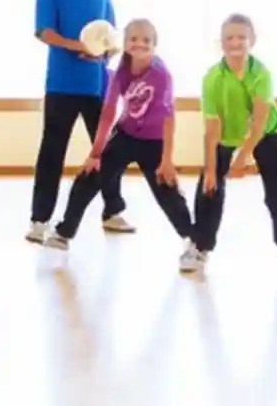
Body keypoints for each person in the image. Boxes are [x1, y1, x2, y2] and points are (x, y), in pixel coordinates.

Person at [44, 19, 199, 270]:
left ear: (155, 46)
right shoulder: (122, 69)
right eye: (133, 39)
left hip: (154, 141)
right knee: (89, 176)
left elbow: (169, 117)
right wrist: (95, 153)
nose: (139, 44)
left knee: (167, 192)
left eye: (146, 40)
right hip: (125, 135)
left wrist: (167, 160)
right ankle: (64, 232)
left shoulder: (161, 75)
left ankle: (194, 242)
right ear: (125, 43)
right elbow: (108, 110)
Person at [28, 0, 134, 243]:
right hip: (62, 82)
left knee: (107, 149)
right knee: (53, 150)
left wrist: (107, 52)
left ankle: (112, 210)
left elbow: (111, 31)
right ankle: (39, 220)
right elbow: (44, 31)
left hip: (98, 83)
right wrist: (79, 46)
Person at [190, 13, 277, 276]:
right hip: (225, 136)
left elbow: (260, 120)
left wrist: (243, 157)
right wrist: (211, 170)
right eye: (229, 37)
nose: (235, 42)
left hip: (265, 133)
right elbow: (211, 129)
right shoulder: (212, 78)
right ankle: (201, 248)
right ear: (221, 43)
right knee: (208, 189)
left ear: (252, 40)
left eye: (241, 37)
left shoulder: (260, 74)